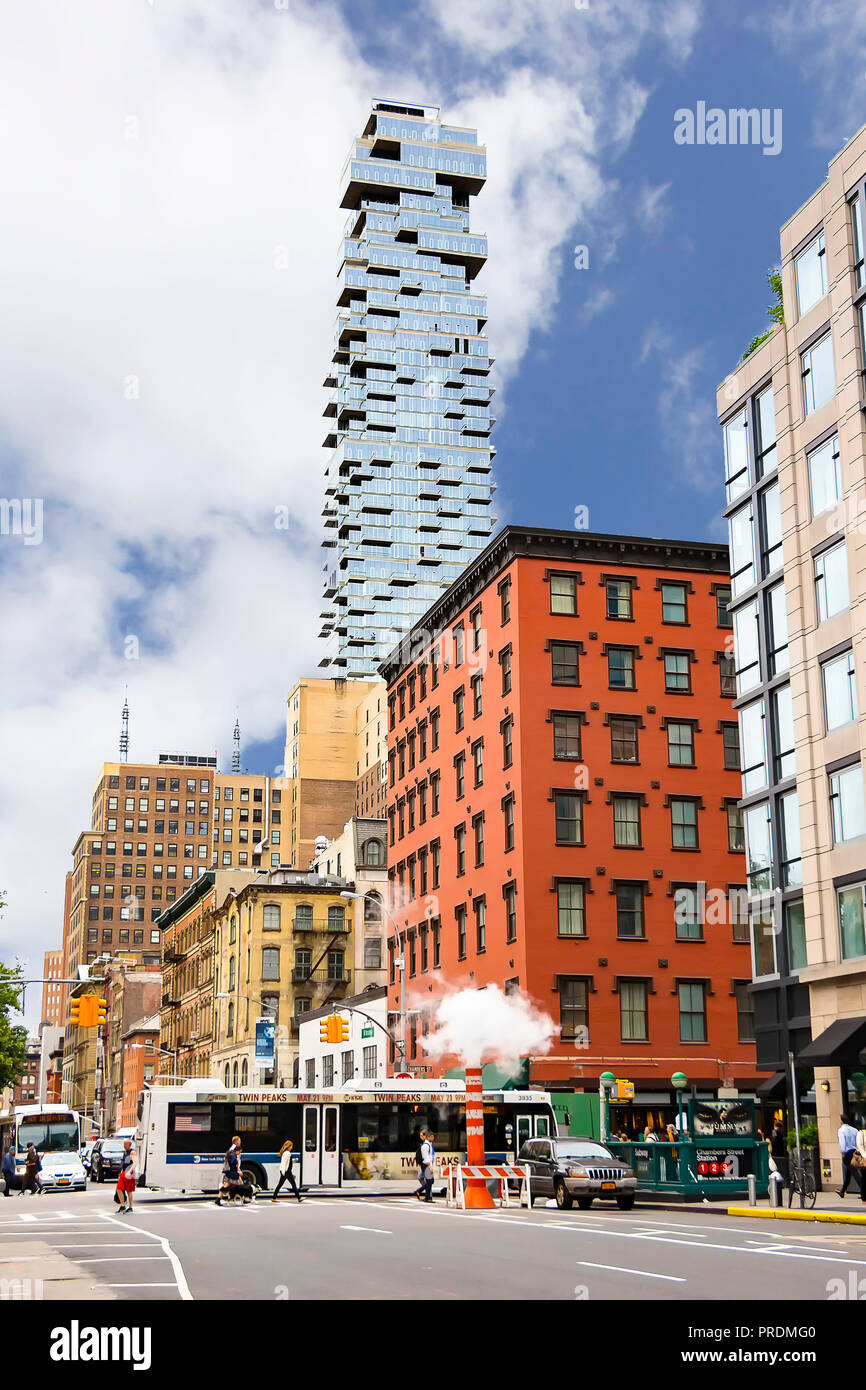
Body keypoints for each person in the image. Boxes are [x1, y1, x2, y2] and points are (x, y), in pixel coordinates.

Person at [838, 1113, 861, 1198]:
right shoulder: (854, 1130)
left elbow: (842, 1142)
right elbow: (858, 1141)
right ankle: (842, 1191)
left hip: (847, 1154)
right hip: (854, 1153)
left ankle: (864, 1192)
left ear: (842, 1121)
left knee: (855, 1173)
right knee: (848, 1173)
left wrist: (843, 1152)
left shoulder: (841, 1130)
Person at [115, 1139, 137, 1214]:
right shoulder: (125, 1152)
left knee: (129, 1191)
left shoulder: (132, 1152)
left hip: (130, 1173)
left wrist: (130, 1171)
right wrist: (121, 1171)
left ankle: (130, 1207)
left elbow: (135, 1163)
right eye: (124, 1144)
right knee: (119, 1188)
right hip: (124, 1172)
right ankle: (122, 1205)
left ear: (129, 1145)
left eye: (125, 1144)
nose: (124, 1146)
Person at [416, 1129, 435, 1203]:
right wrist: (430, 1166)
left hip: (427, 1164)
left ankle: (427, 1197)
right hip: (426, 1165)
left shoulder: (429, 1144)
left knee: (430, 1181)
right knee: (429, 1181)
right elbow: (426, 1157)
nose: (433, 1138)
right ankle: (426, 1197)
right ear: (428, 1137)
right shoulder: (425, 1146)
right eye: (432, 1137)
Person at [856, 1123, 866, 1205]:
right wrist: (865, 1156)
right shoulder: (861, 1133)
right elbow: (860, 1146)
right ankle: (864, 1197)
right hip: (864, 1159)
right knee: (864, 1178)